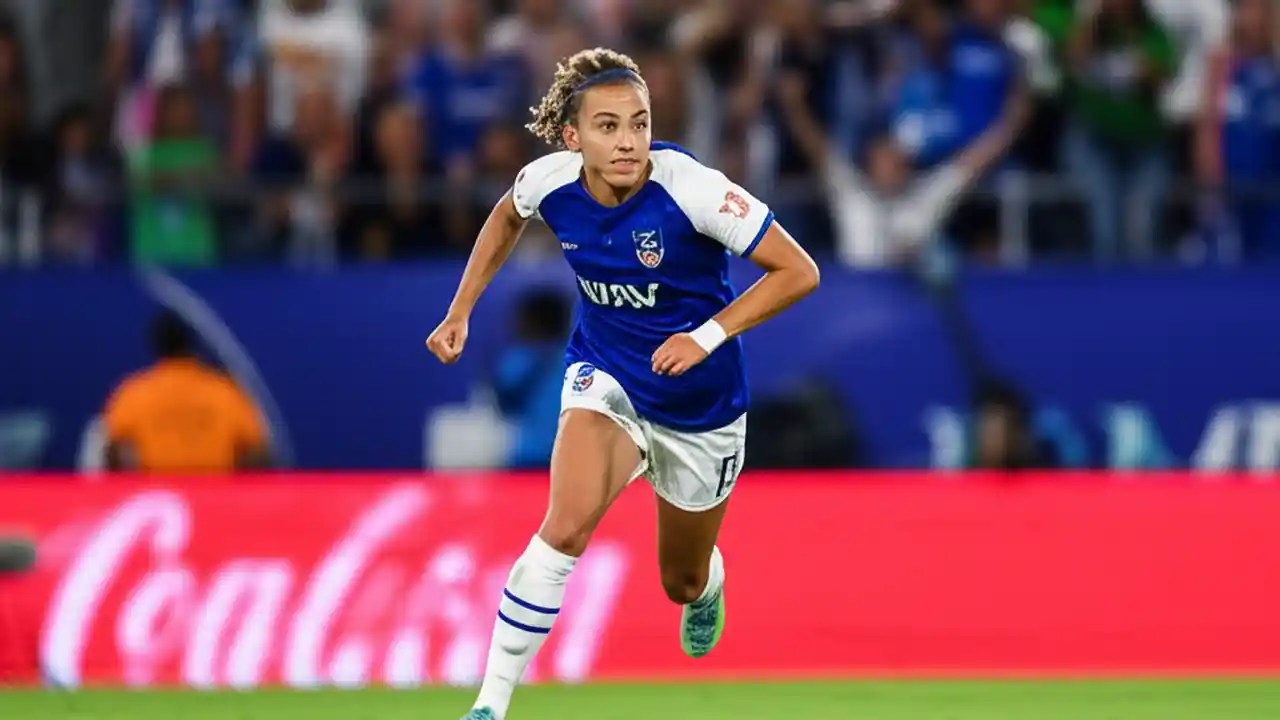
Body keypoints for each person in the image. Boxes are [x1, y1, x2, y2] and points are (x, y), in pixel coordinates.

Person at [425, 47, 820, 720]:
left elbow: (799, 270)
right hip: (606, 377)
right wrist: (460, 309)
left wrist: (706, 336)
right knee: (565, 527)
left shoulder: (691, 189)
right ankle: (490, 705)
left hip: (700, 404)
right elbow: (506, 216)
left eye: (638, 123)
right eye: (608, 127)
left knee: (681, 578)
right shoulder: (550, 181)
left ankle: (707, 583)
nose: (629, 141)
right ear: (574, 138)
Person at [102, 310, 272, 473]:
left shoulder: (134, 393)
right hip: (216, 496)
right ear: (193, 344)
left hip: (159, 496)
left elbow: (113, 452)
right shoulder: (225, 392)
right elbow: (257, 454)